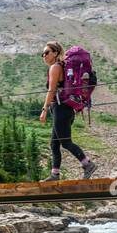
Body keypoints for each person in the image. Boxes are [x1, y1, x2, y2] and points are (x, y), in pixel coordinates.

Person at [39, 42, 95, 181]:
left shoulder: (55, 67)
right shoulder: (62, 66)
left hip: (60, 108)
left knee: (65, 142)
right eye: (42, 54)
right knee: (54, 143)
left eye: (47, 52)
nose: (43, 56)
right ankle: (55, 174)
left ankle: (87, 164)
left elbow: (51, 90)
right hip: (66, 109)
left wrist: (44, 109)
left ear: (56, 53)